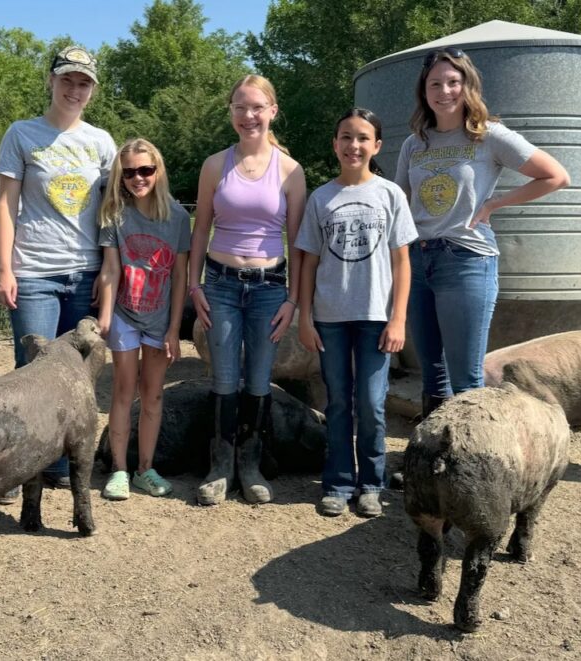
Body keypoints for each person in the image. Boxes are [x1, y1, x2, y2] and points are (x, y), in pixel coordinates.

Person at [394, 47, 570, 418]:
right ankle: (432, 460)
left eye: (453, 82)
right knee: (432, 373)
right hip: (419, 260)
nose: (445, 91)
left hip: (465, 259)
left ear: (468, 85)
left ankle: (467, 461)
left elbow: (555, 176)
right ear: (424, 92)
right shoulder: (416, 143)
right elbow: (401, 203)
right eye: (435, 84)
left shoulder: (488, 135)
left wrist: (493, 205)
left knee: (465, 377)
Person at [0, 45, 117, 499]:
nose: (74, 89)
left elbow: (111, 211)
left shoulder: (102, 143)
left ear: (92, 91)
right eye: (67, 79)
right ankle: (16, 468)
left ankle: (60, 462)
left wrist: (107, 271)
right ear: (51, 81)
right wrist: (5, 268)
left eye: (83, 83)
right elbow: (7, 204)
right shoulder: (22, 134)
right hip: (35, 273)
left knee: (74, 376)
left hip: (84, 272)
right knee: (28, 372)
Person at [188, 74, 306, 506]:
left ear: (272, 111)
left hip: (269, 289)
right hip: (219, 285)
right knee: (223, 376)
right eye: (240, 107)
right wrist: (193, 285)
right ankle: (219, 465)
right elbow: (200, 228)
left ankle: (251, 463)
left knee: (258, 377)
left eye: (257, 107)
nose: (248, 115)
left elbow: (298, 243)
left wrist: (293, 298)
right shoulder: (215, 165)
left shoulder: (291, 171)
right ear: (231, 112)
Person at [296, 108, 417, 517]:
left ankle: (371, 482)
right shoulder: (321, 197)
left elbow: (402, 262)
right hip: (330, 317)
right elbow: (308, 262)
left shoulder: (389, 195)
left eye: (363, 138)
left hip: (375, 317)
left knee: (370, 401)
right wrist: (305, 317)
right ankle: (337, 482)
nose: (354, 145)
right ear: (335, 144)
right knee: (337, 402)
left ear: (376, 146)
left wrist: (398, 318)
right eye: (346, 137)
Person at [96, 139, 190, 500]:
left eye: (145, 170)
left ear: (158, 171)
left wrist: (173, 329)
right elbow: (110, 269)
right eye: (130, 172)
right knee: (123, 391)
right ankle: (118, 470)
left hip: (160, 319)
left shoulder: (178, 218)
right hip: (124, 314)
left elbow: (180, 276)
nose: (138, 178)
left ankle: (145, 469)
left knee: (152, 396)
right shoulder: (114, 216)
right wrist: (105, 317)